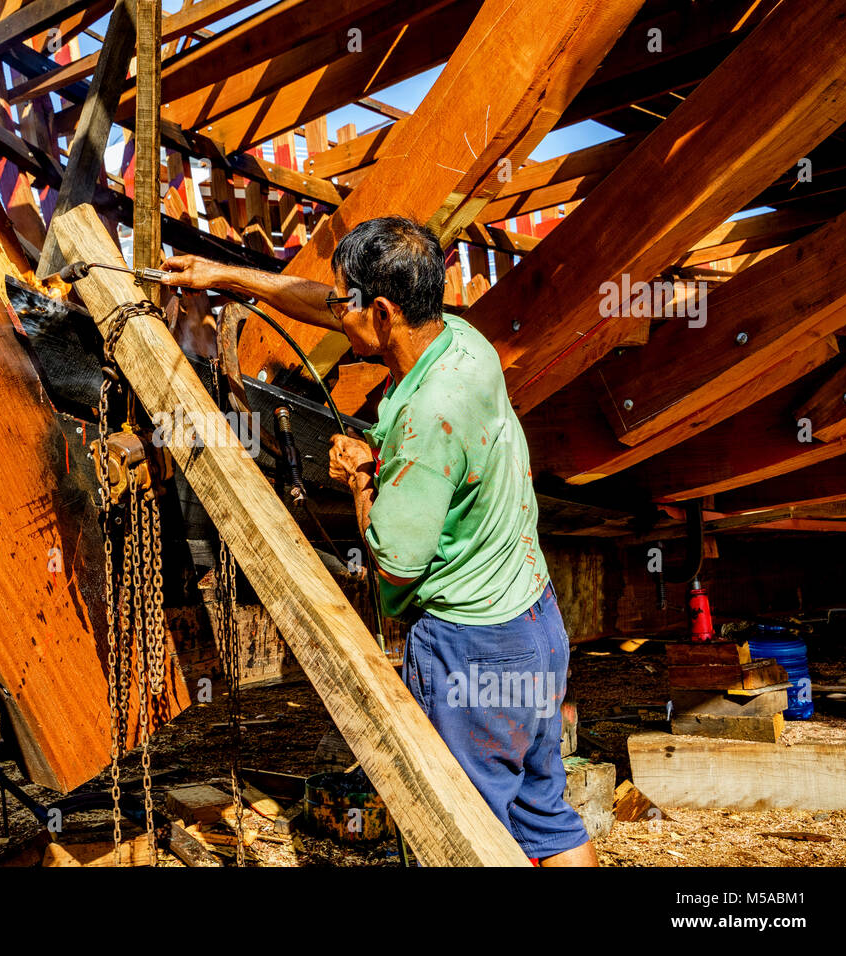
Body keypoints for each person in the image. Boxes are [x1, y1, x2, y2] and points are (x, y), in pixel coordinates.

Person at [160, 216, 597, 866]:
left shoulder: (427, 420)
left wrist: (362, 478)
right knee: (544, 816)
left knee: (460, 841)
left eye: (348, 301)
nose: (337, 310)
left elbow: (394, 572)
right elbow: (329, 307)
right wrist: (225, 276)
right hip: (534, 625)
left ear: (384, 313)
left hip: (472, 651)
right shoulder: (461, 342)